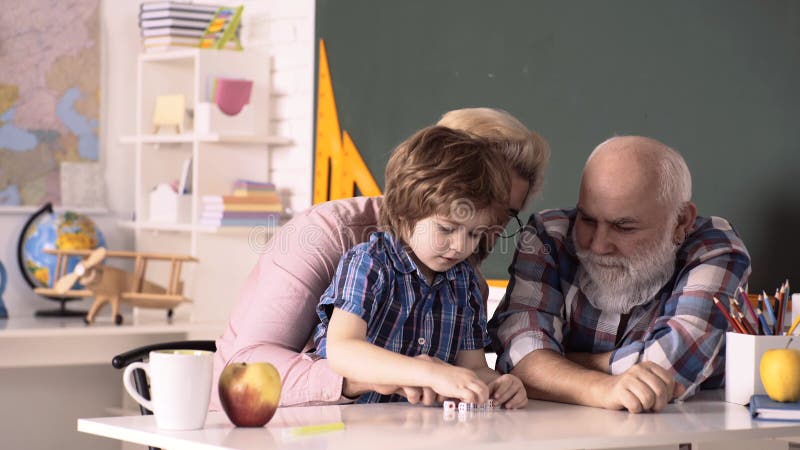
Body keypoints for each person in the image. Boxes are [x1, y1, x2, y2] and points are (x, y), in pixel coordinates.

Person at [210, 108, 550, 408]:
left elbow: (469, 370)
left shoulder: (463, 280)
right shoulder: (333, 238)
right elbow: (246, 371)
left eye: (501, 214)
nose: (484, 230)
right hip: (257, 422)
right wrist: (382, 376)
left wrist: (491, 385)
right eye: (467, 203)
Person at [488, 135, 751, 413]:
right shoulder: (549, 235)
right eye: (587, 219)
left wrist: (554, 362)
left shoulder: (714, 248)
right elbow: (519, 358)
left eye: (624, 227)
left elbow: (669, 367)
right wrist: (602, 388)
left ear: (681, 221)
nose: (598, 246)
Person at [312, 126, 528, 408]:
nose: (460, 246)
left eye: (475, 234)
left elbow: (473, 367)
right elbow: (343, 350)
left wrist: (498, 384)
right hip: (347, 422)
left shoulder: (465, 283)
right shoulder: (369, 264)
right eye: (447, 229)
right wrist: (426, 371)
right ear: (404, 213)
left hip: (418, 426)